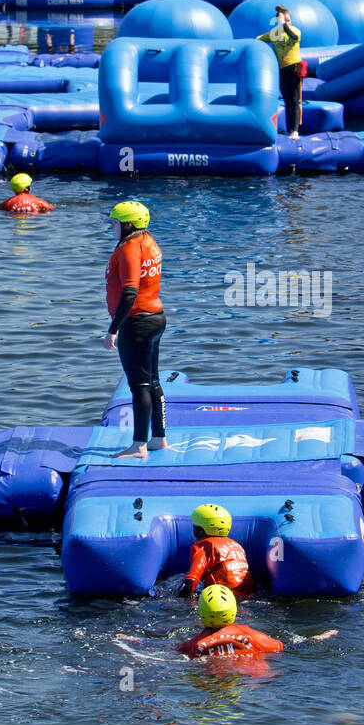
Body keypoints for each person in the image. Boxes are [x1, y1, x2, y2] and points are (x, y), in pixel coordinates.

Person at [103, 201, 166, 459]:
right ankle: (159, 438)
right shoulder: (148, 241)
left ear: (128, 225)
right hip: (155, 317)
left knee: (139, 385)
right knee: (152, 382)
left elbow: (130, 291)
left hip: (137, 322)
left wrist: (113, 329)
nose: (112, 227)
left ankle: (139, 445)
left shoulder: (130, 248)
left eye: (115, 223)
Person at [177, 586, 284, 659]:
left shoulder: (192, 646)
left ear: (201, 612)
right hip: (254, 682)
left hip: (211, 683)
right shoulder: (252, 637)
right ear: (234, 609)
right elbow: (279, 647)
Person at [176, 504, 254, 598]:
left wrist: (172, 602)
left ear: (199, 531)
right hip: (251, 595)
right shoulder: (236, 546)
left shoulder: (204, 547)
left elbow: (189, 584)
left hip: (222, 598)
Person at [257, 5, 303, 139]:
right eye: (283, 21)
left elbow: (293, 37)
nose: (286, 23)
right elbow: (258, 40)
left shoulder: (295, 30)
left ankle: (295, 131)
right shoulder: (274, 33)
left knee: (294, 100)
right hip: (282, 70)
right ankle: (289, 129)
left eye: (288, 20)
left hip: (294, 68)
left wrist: (284, 25)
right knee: (287, 99)